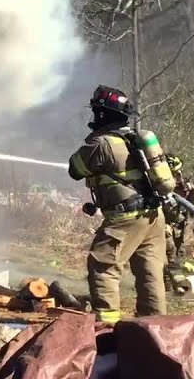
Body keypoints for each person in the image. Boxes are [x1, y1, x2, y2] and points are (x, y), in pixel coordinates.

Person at [67, 85, 168, 323]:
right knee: (150, 273)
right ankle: (154, 327)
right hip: (153, 217)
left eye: (96, 112)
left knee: (103, 266)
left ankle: (107, 327)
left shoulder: (100, 144)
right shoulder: (135, 140)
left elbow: (75, 169)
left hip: (125, 218)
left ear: (102, 114)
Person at [163, 154, 194, 293]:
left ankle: (169, 286)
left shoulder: (187, 188)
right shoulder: (155, 187)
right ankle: (172, 285)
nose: (177, 176)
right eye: (173, 173)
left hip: (179, 226)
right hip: (161, 225)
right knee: (169, 252)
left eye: (177, 172)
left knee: (178, 253)